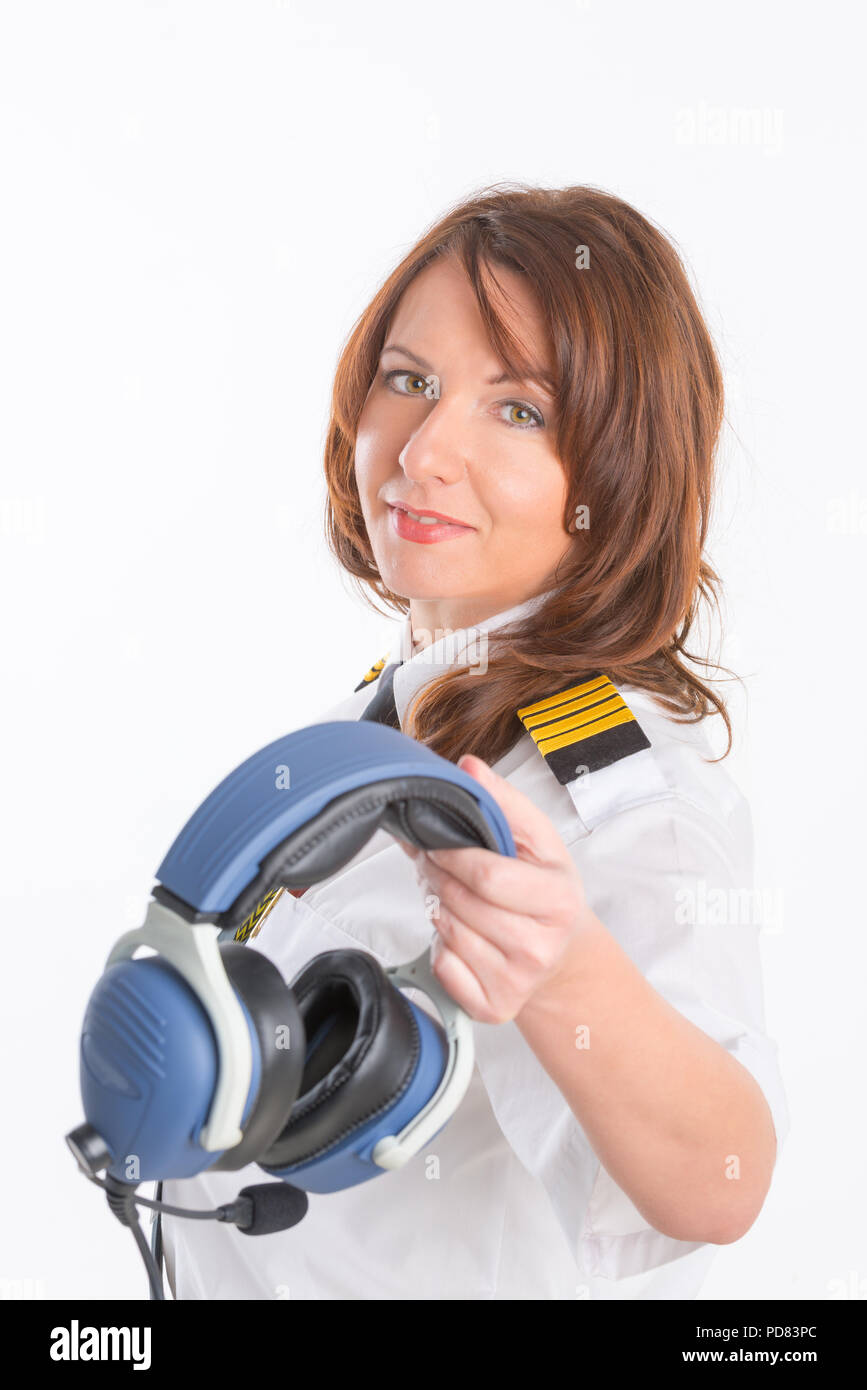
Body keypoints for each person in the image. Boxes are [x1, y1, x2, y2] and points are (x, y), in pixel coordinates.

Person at [161, 183, 789, 1300]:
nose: (422, 451)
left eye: (519, 410)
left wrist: (569, 969)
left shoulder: (612, 793)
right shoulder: (387, 723)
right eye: (409, 382)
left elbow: (721, 1182)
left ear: (619, 468)